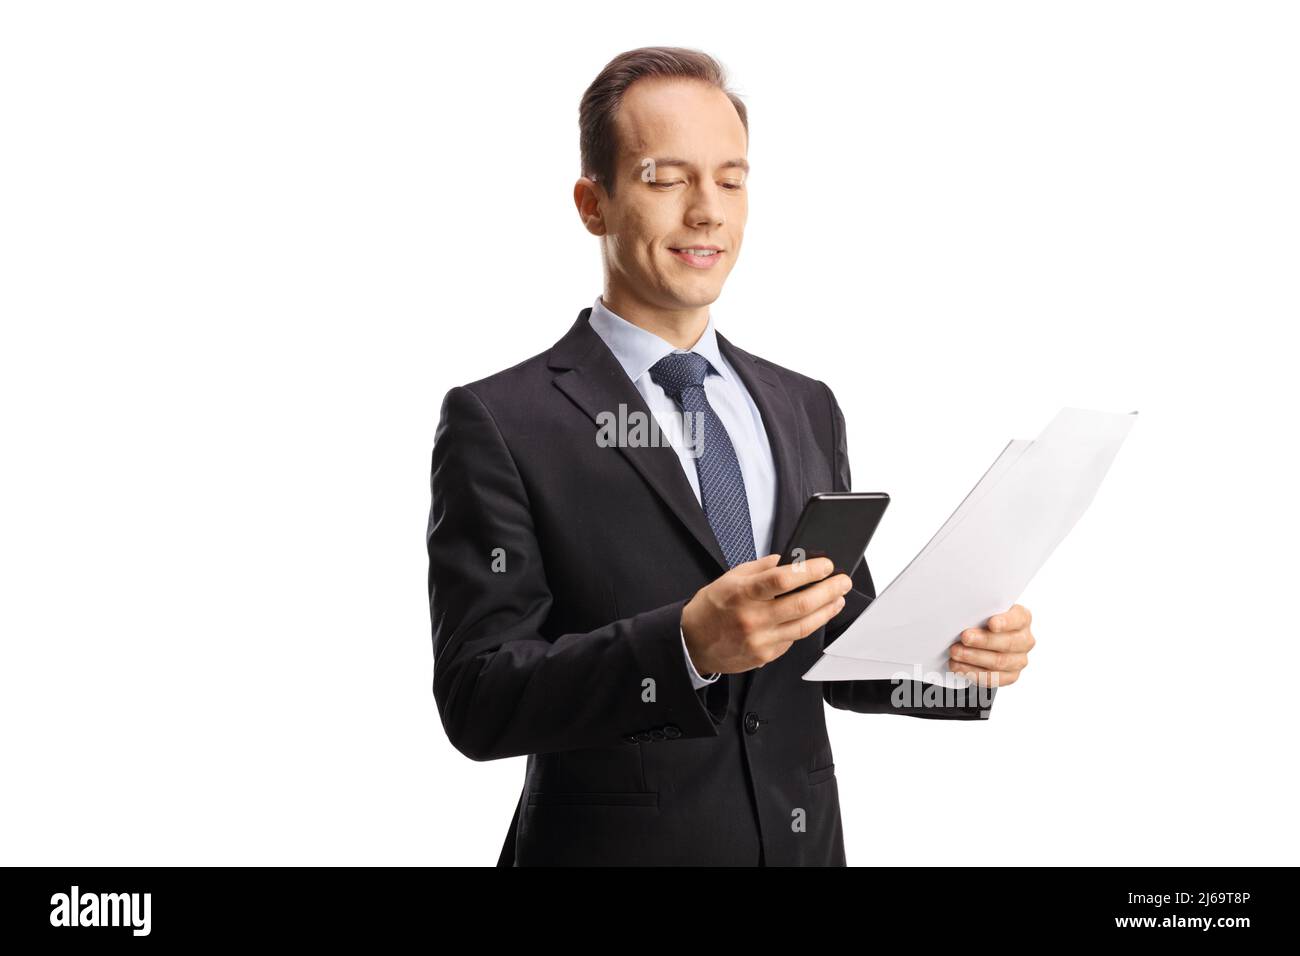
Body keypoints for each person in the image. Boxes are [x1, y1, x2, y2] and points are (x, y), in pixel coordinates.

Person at [426, 46, 1037, 866]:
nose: (707, 210)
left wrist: (954, 662)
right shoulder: (501, 420)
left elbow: (832, 650)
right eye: (665, 177)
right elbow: (480, 698)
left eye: (731, 177)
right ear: (593, 203)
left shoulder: (805, 405)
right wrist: (683, 646)